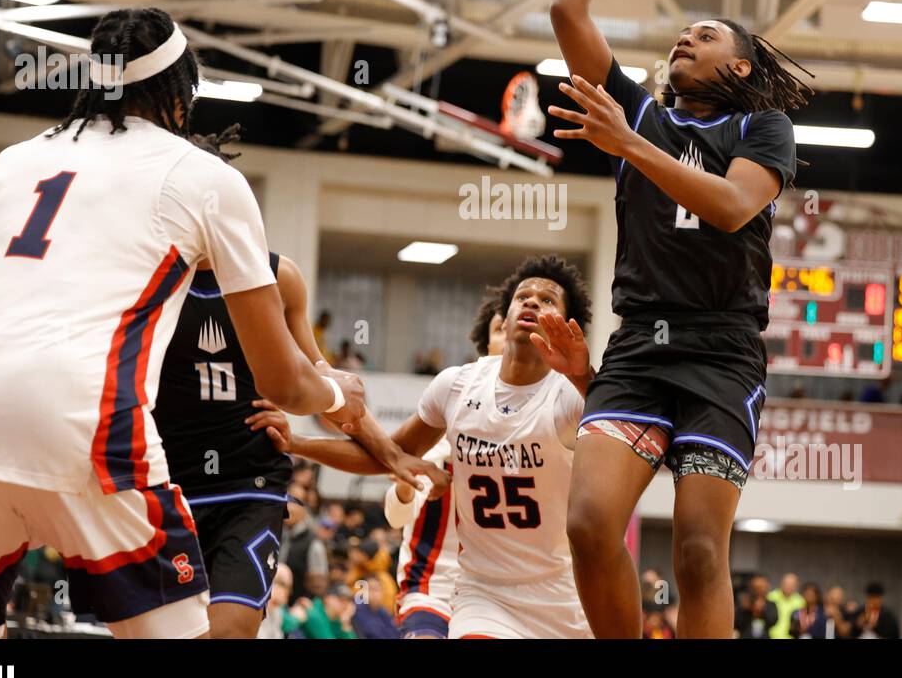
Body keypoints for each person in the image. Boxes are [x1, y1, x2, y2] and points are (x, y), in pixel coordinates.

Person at [0, 6, 368, 639]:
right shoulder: (204, 177)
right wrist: (338, 392)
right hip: (86, 425)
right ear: (181, 92)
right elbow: (280, 378)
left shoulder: (10, 162)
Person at [547, 0, 810, 640]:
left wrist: (628, 145)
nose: (684, 39)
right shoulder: (639, 112)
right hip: (638, 350)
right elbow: (567, 10)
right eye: (682, 32)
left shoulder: (763, 128)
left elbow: (729, 208)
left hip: (722, 355)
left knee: (698, 552)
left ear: (737, 66)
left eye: (706, 34)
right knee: (591, 524)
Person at [254, 255, 596, 639]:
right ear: (502, 317)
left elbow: (619, 438)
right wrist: (297, 442)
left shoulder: (570, 397)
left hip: (560, 595)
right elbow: (388, 455)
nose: (532, 302)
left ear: (568, 327)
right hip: (478, 591)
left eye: (548, 300)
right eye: (523, 296)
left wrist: (585, 376)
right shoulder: (456, 387)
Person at [154, 243, 437, 639]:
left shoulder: (277, 277)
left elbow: (329, 387)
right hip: (167, 484)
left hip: (248, 487)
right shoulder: (145, 273)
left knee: (230, 630)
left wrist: (391, 454)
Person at [382, 293, 505, 639]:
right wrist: (404, 484)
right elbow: (395, 516)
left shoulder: (539, 429)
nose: (509, 337)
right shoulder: (448, 410)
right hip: (430, 587)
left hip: (495, 598)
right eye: (500, 329)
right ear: (485, 344)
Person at [734, 574, 777, 639]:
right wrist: (747, 609)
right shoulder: (745, 604)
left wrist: (762, 611)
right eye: (756, 588)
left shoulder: (771, 604)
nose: (759, 591)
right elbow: (737, 623)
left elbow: (773, 622)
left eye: (762, 587)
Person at [767, 572, 805, 638]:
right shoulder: (771, 597)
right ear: (781, 584)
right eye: (786, 584)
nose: (789, 586)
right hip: (770, 637)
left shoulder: (801, 601)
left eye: (792, 584)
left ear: (797, 586)